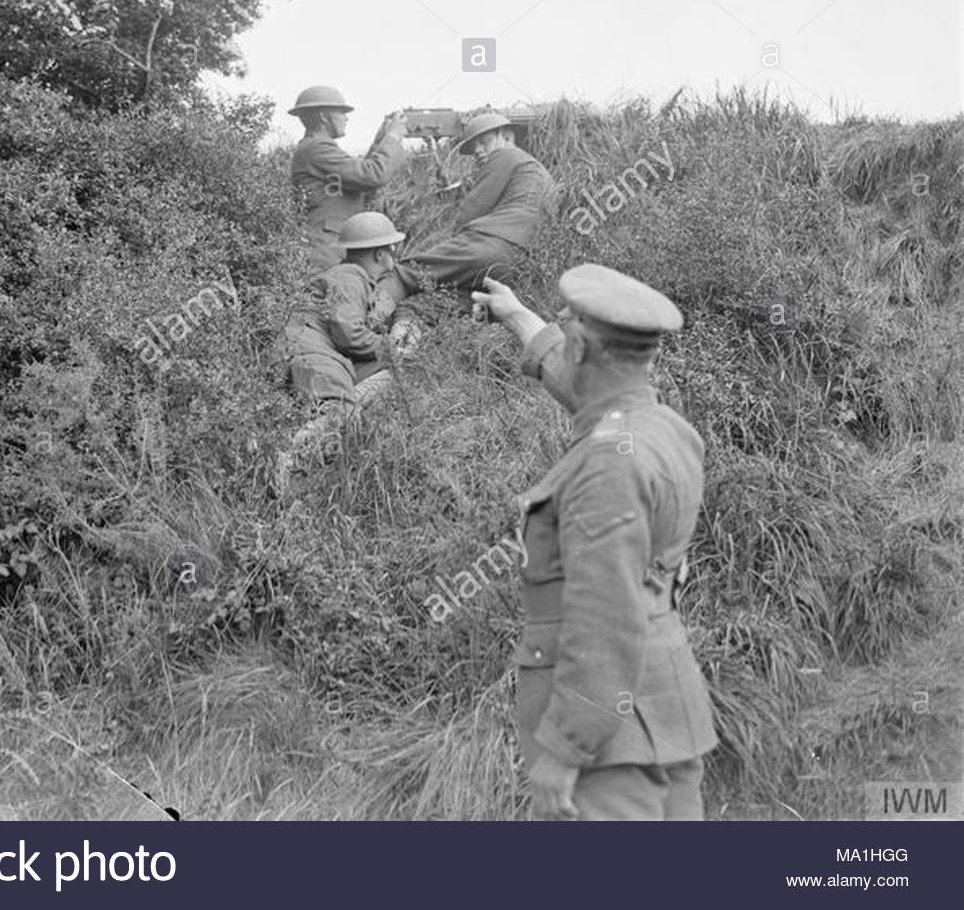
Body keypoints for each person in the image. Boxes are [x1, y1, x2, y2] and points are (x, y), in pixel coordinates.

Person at [471, 265, 717, 820]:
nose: (563, 336)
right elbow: (592, 399)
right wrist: (519, 318)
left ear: (581, 345)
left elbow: (604, 616)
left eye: (568, 328)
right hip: (662, 713)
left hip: (610, 750)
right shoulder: (660, 428)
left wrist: (565, 749)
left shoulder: (609, 464)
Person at [371, 111, 556, 322]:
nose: (477, 151)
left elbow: (470, 212)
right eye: (473, 146)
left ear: (505, 136)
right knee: (424, 306)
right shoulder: (540, 172)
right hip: (520, 267)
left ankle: (367, 321)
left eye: (483, 142)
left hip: (489, 248)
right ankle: (402, 342)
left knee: (404, 274)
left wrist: (447, 249)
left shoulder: (506, 156)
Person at [272, 211, 410, 492]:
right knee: (340, 412)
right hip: (312, 352)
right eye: (391, 250)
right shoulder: (350, 276)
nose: (393, 258)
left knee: (341, 407)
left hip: (304, 350)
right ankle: (285, 464)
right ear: (378, 254)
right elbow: (348, 333)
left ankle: (285, 464)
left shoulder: (347, 276)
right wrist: (388, 347)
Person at [288, 86, 409, 273]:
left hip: (330, 247)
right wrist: (393, 137)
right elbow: (372, 175)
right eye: (341, 112)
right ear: (323, 116)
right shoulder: (317, 148)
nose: (346, 118)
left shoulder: (316, 148)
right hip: (325, 252)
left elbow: (358, 180)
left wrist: (379, 142)